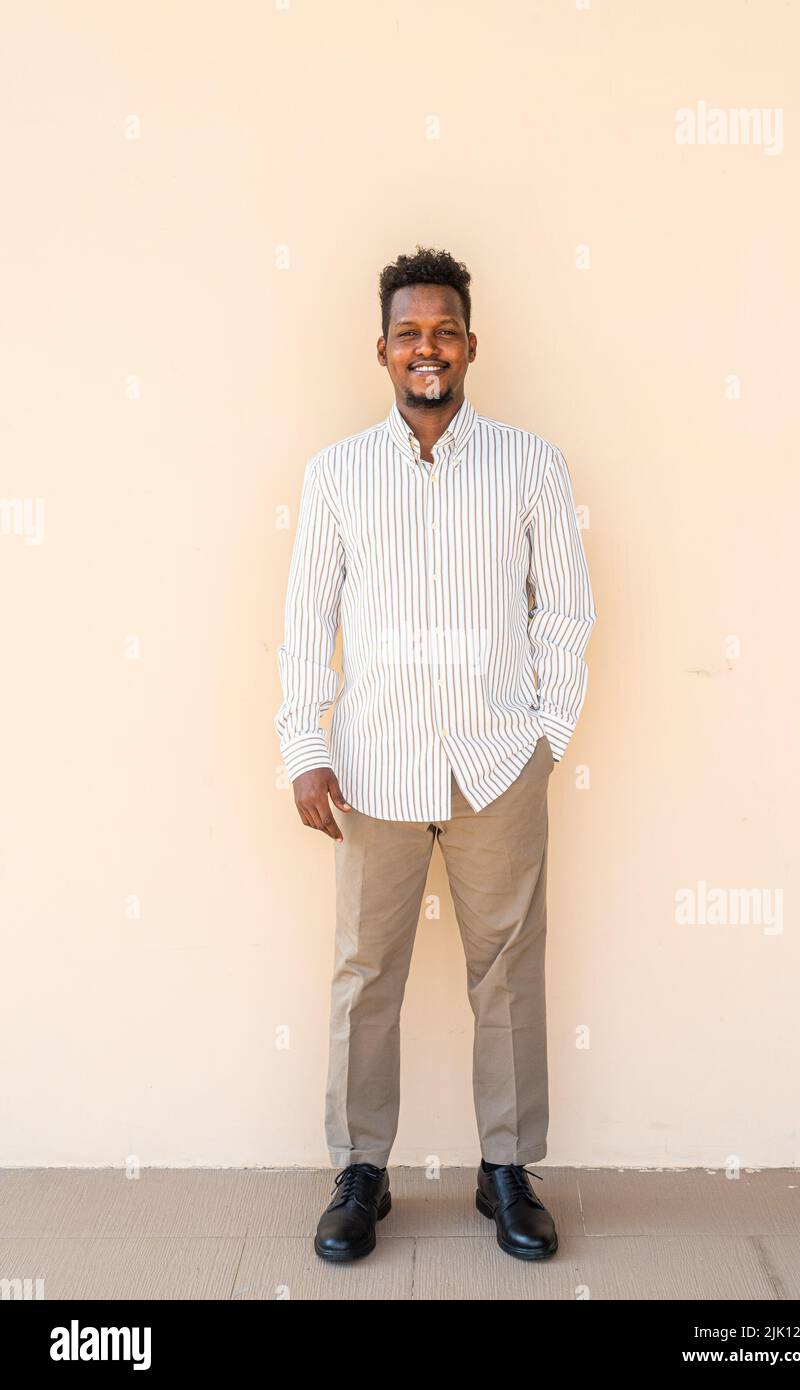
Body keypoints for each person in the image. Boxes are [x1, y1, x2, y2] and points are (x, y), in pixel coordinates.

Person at [275, 246, 596, 1263]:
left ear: (469, 344)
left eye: (444, 331)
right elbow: (303, 622)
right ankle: (360, 1170)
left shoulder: (530, 464)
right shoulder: (336, 474)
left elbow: (567, 615)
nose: (428, 348)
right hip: (370, 768)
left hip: (498, 762)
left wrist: (547, 739)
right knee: (365, 971)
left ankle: (506, 1170)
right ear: (383, 349)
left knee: (506, 972)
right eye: (409, 332)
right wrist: (305, 745)